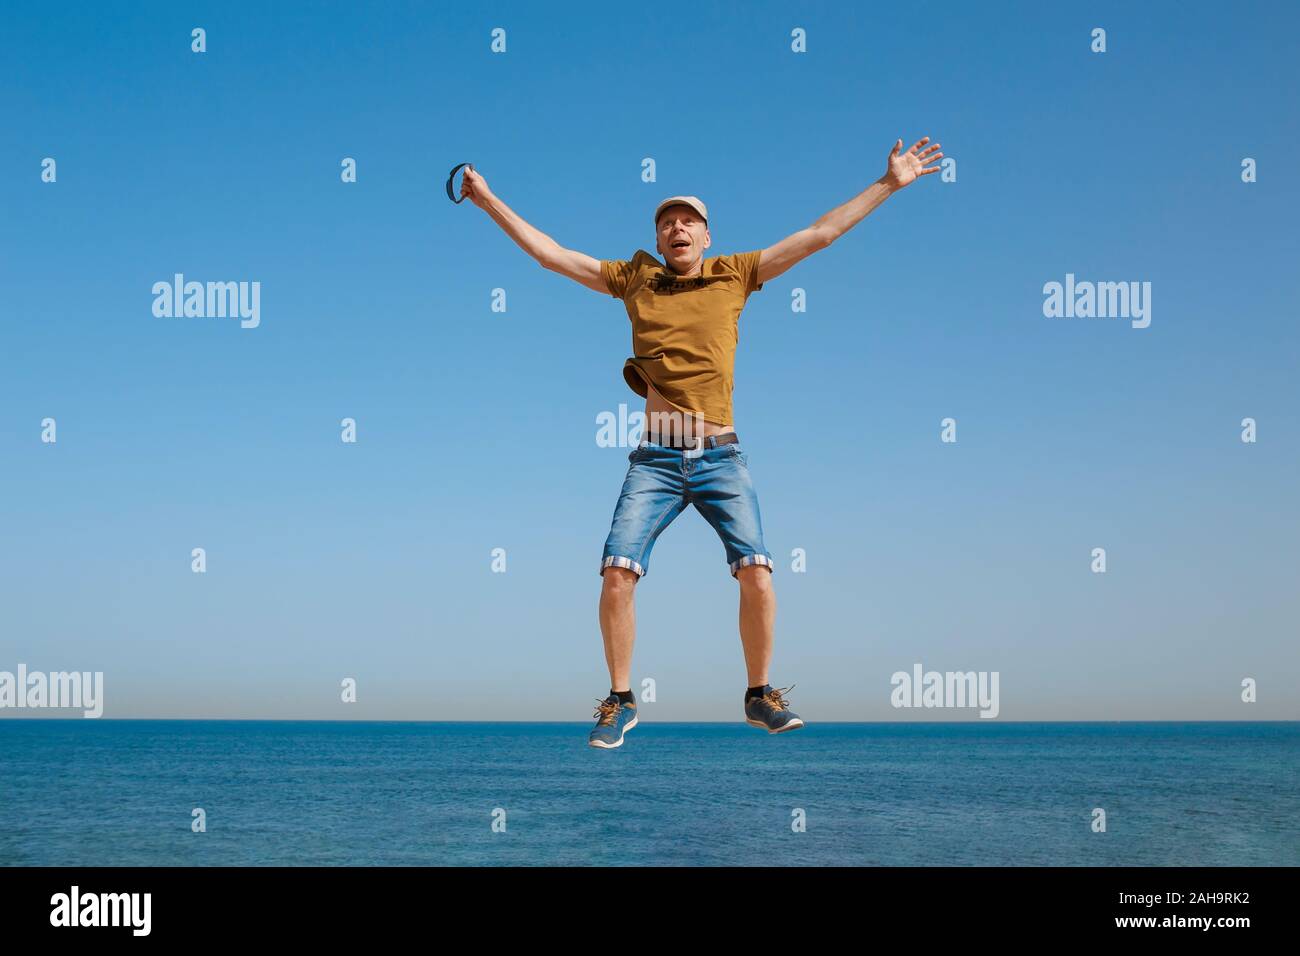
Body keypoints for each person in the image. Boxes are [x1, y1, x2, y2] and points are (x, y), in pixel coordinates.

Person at [458, 137, 943, 748]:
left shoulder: (735, 275)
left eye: (688, 220)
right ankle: (620, 699)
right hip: (655, 459)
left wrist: (889, 183)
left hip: (721, 455)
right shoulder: (635, 279)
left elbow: (819, 234)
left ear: (706, 236)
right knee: (616, 573)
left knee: (758, 573)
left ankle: (759, 694)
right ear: (659, 240)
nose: (677, 227)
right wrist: (486, 199)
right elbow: (551, 256)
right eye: (666, 222)